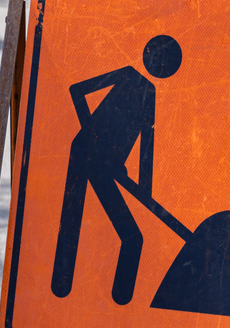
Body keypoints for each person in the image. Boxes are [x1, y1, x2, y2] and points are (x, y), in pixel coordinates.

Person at [51, 34, 183, 305]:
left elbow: (147, 144)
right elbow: (78, 90)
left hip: (107, 165)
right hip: (83, 152)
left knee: (133, 237)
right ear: (149, 55)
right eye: (158, 57)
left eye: (166, 60)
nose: (161, 63)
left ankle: (120, 307)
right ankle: (58, 291)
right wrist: (91, 134)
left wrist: (144, 191)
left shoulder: (151, 96)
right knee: (70, 219)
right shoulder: (126, 75)